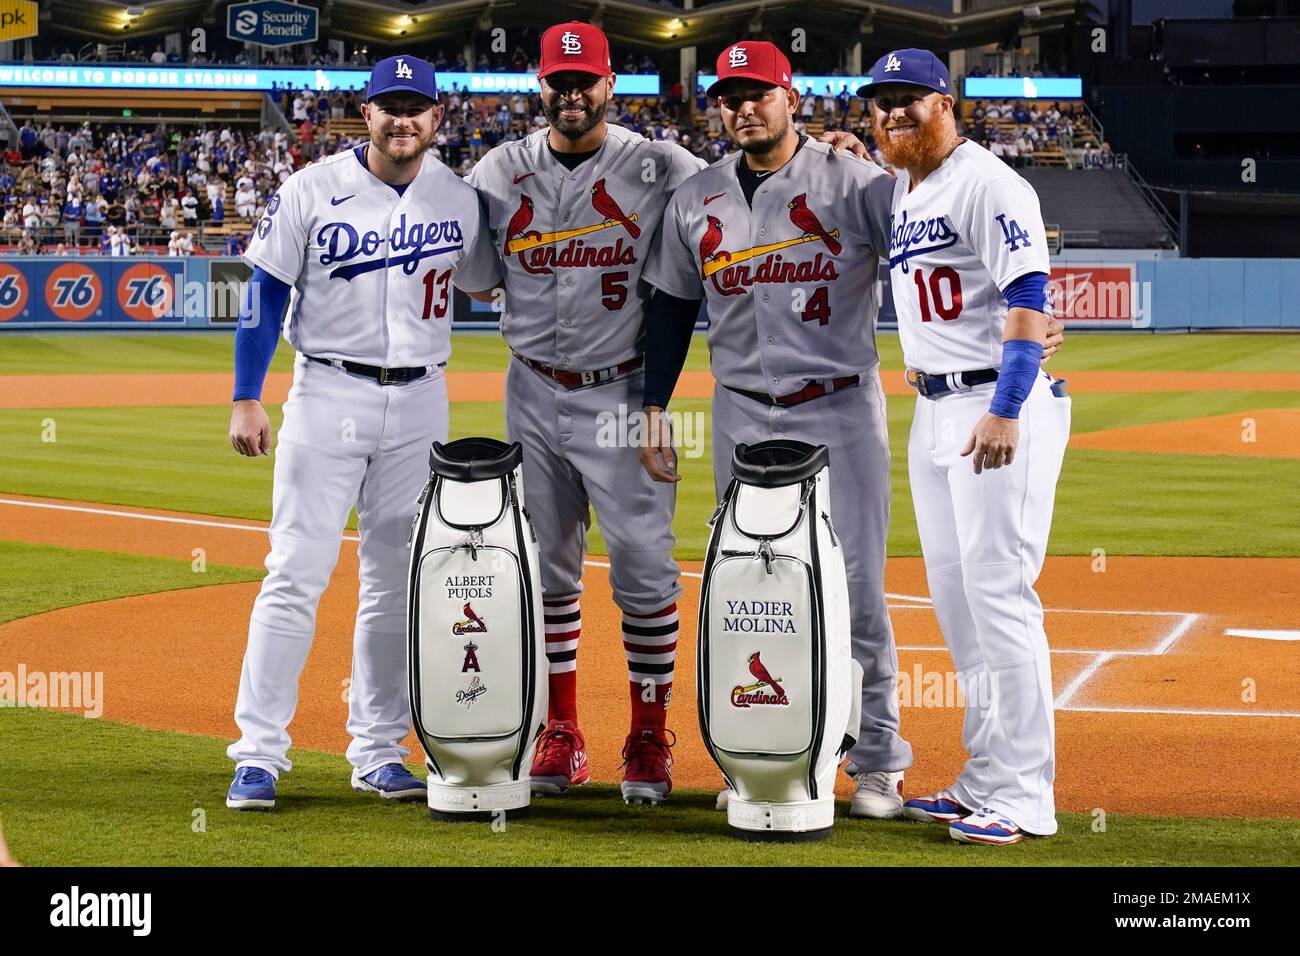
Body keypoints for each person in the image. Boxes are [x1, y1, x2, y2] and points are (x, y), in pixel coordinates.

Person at [640, 39, 914, 819]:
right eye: (729, 96)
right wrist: (655, 409)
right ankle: (761, 748)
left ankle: (881, 762)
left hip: (839, 405)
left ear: (792, 98)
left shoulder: (856, 182)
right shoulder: (696, 197)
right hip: (739, 409)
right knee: (755, 586)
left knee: (856, 588)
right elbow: (670, 308)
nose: (743, 107)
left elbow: (929, 258)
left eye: (758, 92)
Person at [223, 54, 503, 811]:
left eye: (417, 106)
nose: (403, 118)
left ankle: (378, 752)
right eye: (390, 105)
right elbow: (263, 293)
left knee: (394, 586)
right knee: (294, 575)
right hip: (326, 393)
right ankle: (257, 755)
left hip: (422, 402)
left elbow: (491, 279)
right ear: (367, 114)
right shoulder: (312, 187)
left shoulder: (462, 198)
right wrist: (248, 395)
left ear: (438, 118)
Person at [465, 20, 705, 805]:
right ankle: (561, 730)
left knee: (643, 568)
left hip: (624, 391)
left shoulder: (663, 166)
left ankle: (647, 734)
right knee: (547, 565)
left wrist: (826, 152)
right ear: (543, 87)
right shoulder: (500, 171)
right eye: (558, 82)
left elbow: (748, 191)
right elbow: (471, 277)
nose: (572, 94)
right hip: (531, 385)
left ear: (611, 85)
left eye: (586, 81)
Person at [860, 48, 1070, 845]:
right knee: (959, 605)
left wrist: (1008, 407)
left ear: (946, 103)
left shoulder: (990, 181)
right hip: (936, 406)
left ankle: (1026, 796)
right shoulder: (908, 189)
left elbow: (1026, 297)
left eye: (910, 99)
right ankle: (986, 772)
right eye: (881, 102)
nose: (893, 112)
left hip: (993, 404)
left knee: (1002, 599)